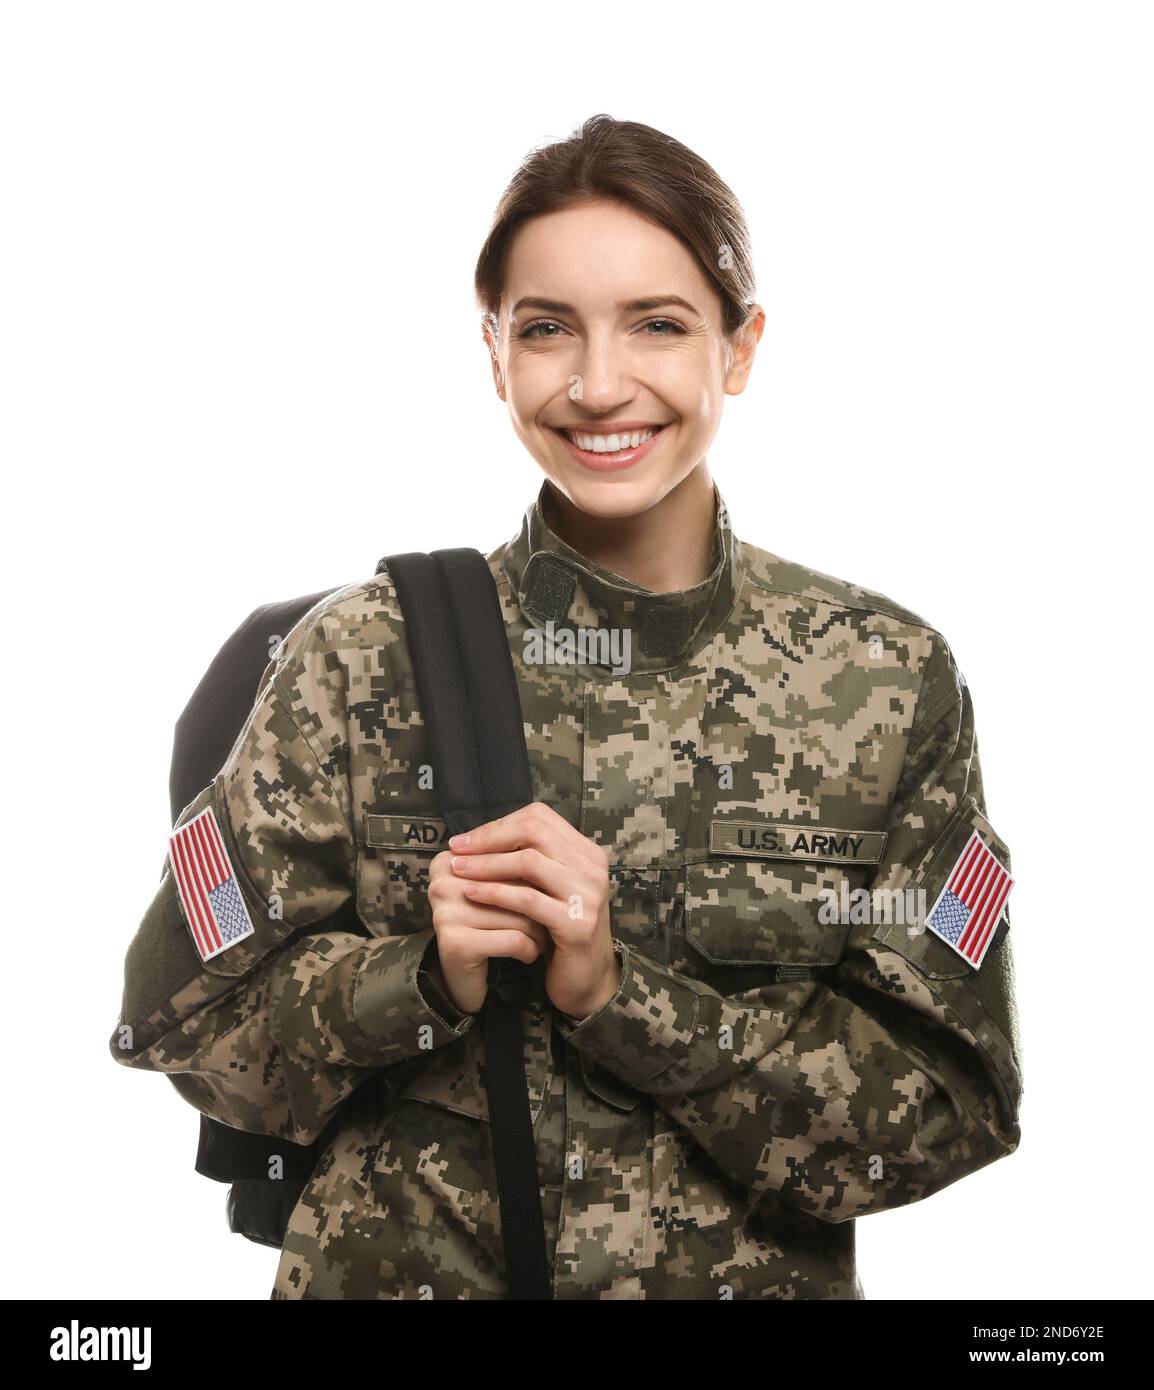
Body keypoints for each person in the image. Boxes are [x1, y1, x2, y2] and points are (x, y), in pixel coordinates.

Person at [110, 113, 1022, 1300]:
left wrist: (617, 997)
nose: (598, 385)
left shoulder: (888, 679)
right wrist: (421, 980)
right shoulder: (357, 657)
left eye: (656, 323)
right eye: (546, 330)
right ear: (493, 351)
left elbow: (949, 1106)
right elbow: (180, 1024)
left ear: (738, 349)